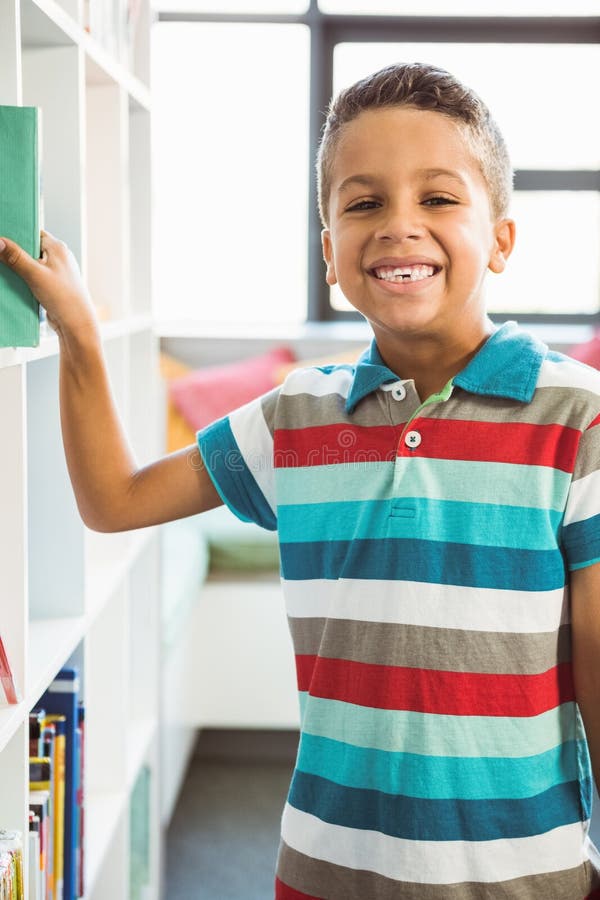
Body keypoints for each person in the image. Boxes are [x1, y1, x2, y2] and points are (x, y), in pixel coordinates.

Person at [2, 61, 600, 899]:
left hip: (525, 878)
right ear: (329, 250)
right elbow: (114, 498)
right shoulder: (295, 415)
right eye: (363, 203)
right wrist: (80, 335)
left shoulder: (579, 416)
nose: (399, 227)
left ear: (501, 236)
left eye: (438, 198)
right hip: (324, 871)